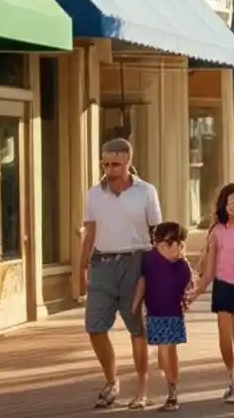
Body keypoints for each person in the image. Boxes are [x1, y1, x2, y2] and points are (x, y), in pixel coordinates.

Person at [78, 138, 162, 409]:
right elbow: (89, 233)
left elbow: (156, 233)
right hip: (102, 264)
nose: (110, 168)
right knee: (95, 327)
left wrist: (158, 271)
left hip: (135, 263)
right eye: (105, 163)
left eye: (116, 163)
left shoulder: (146, 191)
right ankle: (112, 380)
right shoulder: (93, 194)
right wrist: (80, 269)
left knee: (137, 328)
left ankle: (142, 389)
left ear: (128, 162)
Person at [192, 183, 234, 403]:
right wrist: (197, 290)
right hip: (222, 287)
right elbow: (209, 269)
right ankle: (232, 377)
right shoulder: (218, 231)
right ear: (224, 205)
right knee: (223, 338)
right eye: (230, 202)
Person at [131, 222, 194, 412]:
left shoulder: (183, 266)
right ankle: (169, 388)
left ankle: (172, 391)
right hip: (153, 314)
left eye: (180, 243)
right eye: (170, 243)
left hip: (172, 316)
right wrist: (135, 303)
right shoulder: (148, 259)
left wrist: (188, 299)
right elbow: (143, 281)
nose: (176, 247)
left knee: (168, 351)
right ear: (158, 244)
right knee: (161, 350)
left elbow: (188, 290)